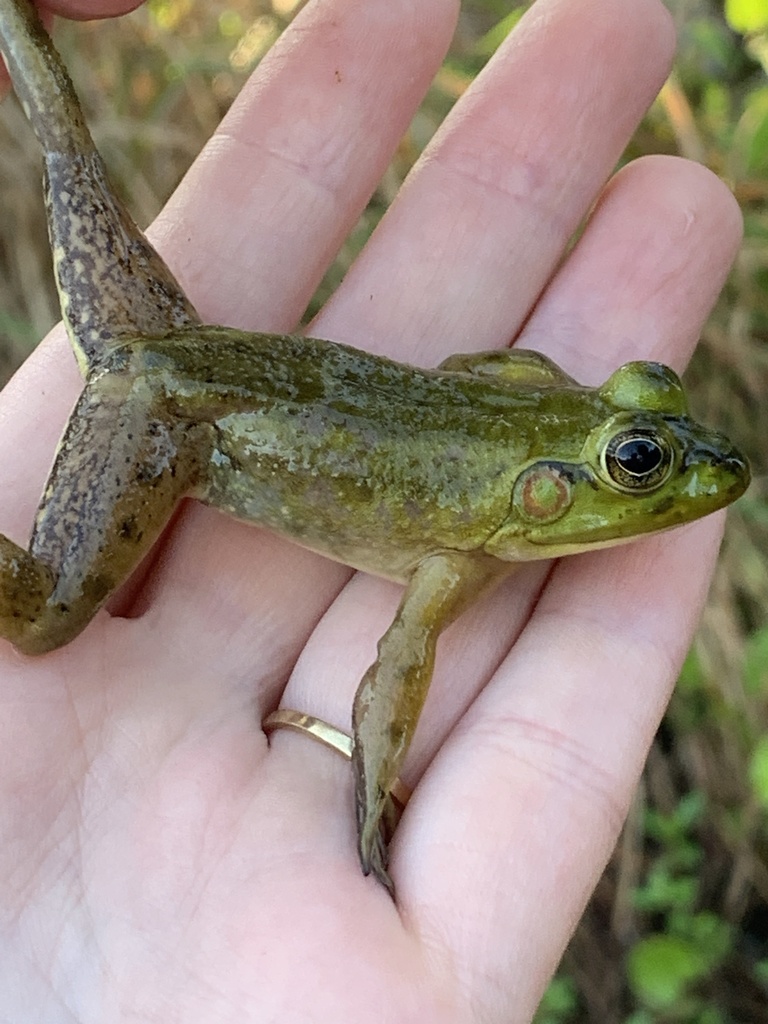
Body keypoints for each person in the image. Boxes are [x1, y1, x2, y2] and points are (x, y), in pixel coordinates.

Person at [0, 0, 742, 1019]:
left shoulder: (523, 408)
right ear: (548, 494)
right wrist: (366, 813)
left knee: (62, 141)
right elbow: (394, 669)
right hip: (165, 417)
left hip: (177, 344)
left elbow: (493, 367)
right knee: (41, 618)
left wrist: (570, 412)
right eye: (639, 458)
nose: (678, 476)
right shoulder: (461, 560)